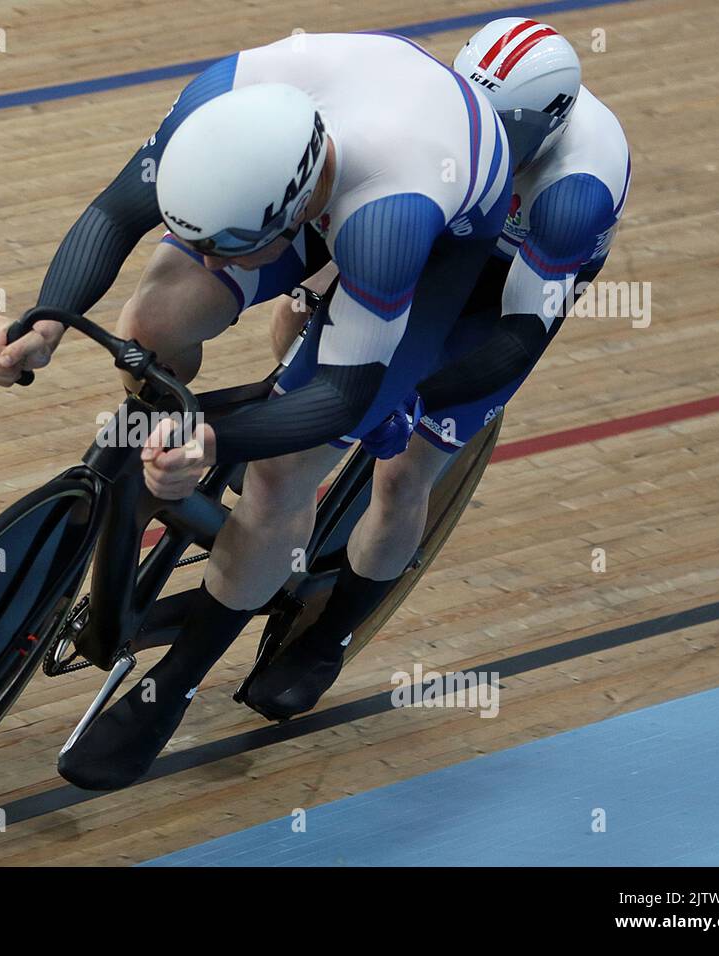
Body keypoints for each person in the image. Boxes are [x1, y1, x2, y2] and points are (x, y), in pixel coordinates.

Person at [0, 32, 513, 790]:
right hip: (338, 161)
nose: (213, 262)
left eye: (228, 247)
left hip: (440, 243)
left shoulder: (385, 223)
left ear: (297, 218)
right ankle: (167, 455)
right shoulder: (220, 99)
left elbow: (344, 396)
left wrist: (213, 439)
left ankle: (178, 679)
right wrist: (45, 322)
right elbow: (114, 215)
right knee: (152, 320)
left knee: (282, 473)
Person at [244, 17, 632, 719]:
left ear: (546, 126)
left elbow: (517, 336)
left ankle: (329, 638)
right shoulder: (446, 110)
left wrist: (416, 400)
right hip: (450, 226)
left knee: (404, 473)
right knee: (295, 325)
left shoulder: (576, 190)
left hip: (507, 286)